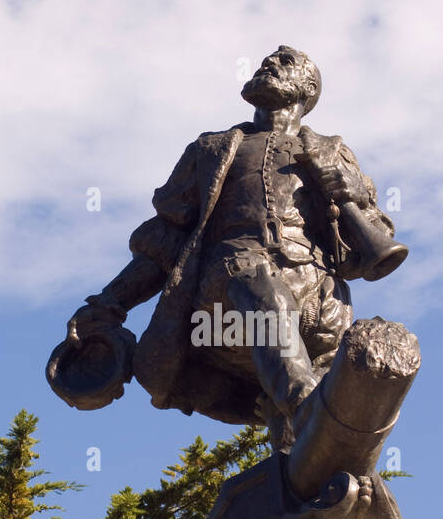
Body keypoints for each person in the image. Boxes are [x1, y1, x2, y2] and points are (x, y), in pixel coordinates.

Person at [60, 46, 405, 448]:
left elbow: (367, 251)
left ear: (308, 88)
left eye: (285, 62)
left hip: (320, 299)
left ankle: (304, 466)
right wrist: (109, 303)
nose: (269, 63)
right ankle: (308, 409)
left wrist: (354, 198)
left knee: (340, 385)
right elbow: (163, 240)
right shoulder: (212, 149)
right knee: (263, 291)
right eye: (268, 60)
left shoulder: (333, 151)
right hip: (231, 290)